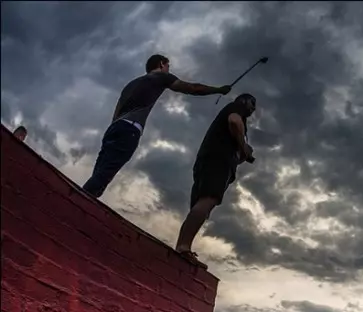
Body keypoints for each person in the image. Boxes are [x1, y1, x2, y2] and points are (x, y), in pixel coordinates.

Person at [81, 54, 232, 199]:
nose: (168, 69)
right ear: (161, 64)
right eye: (168, 66)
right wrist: (218, 90)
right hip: (130, 129)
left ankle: (82, 204)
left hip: (113, 129)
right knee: (102, 177)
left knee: (99, 176)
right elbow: (192, 88)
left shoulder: (130, 84)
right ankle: (75, 202)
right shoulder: (162, 77)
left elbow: (117, 111)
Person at [175, 93, 257, 267]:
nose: (253, 109)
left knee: (203, 205)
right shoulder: (237, 108)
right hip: (217, 160)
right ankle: (183, 247)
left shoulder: (238, 120)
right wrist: (243, 146)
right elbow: (234, 121)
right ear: (244, 101)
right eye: (252, 104)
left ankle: (183, 246)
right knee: (208, 199)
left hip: (212, 161)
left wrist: (244, 152)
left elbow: (238, 152)